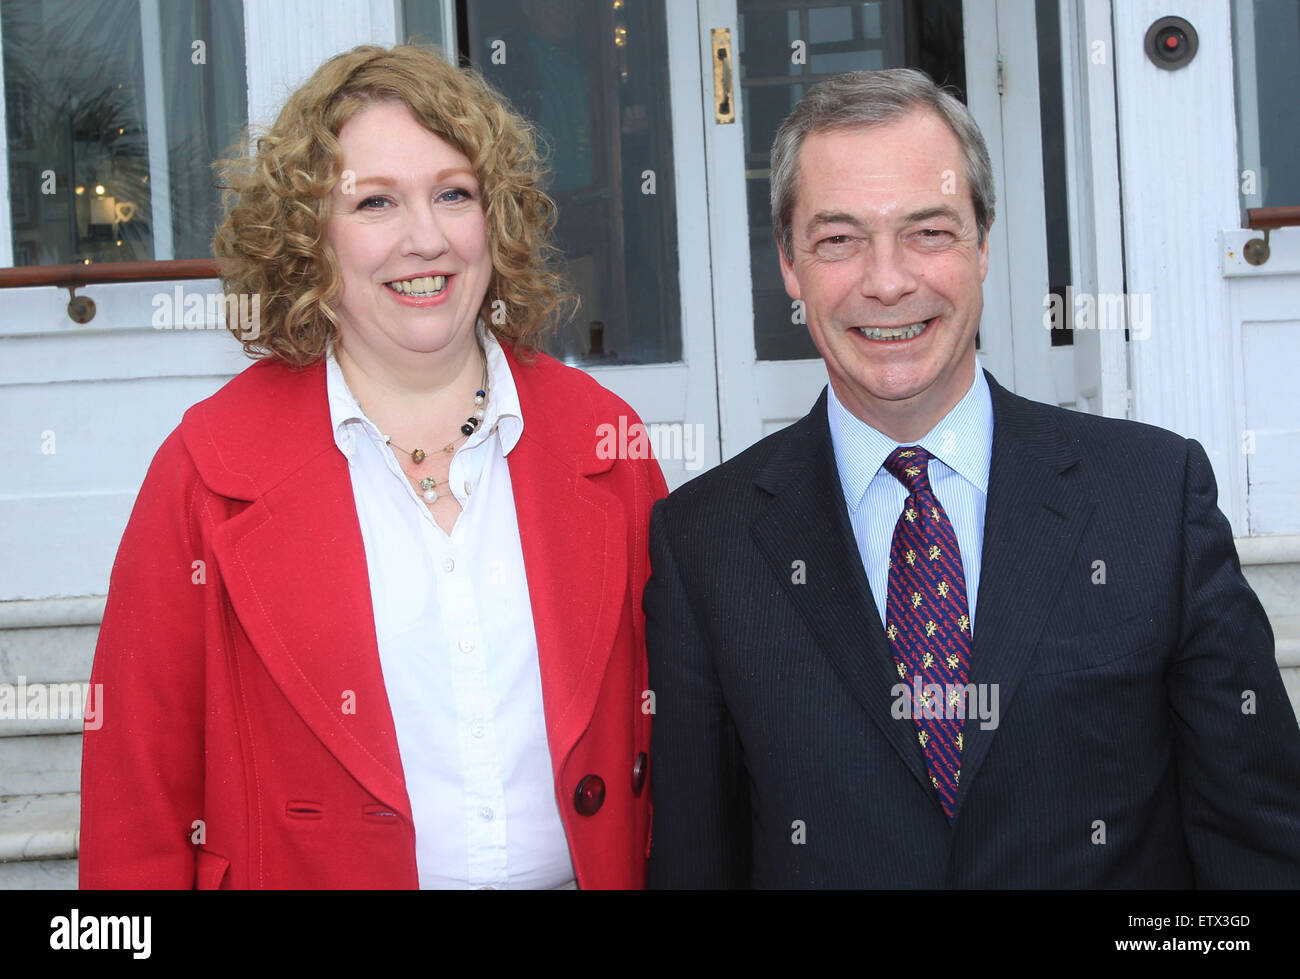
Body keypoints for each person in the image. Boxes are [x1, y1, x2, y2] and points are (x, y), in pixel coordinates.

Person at [643, 68, 1300, 887]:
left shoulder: (1151, 497)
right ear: (788, 263)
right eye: (839, 238)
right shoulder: (705, 542)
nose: (887, 280)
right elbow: (696, 866)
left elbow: (1260, 845)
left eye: (928, 232)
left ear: (983, 243)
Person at [79, 44, 666, 889]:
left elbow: (688, 748)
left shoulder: (605, 441)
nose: (424, 239)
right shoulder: (204, 470)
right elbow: (135, 801)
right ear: (308, 235)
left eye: (454, 194)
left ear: (493, 222)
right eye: (377, 202)